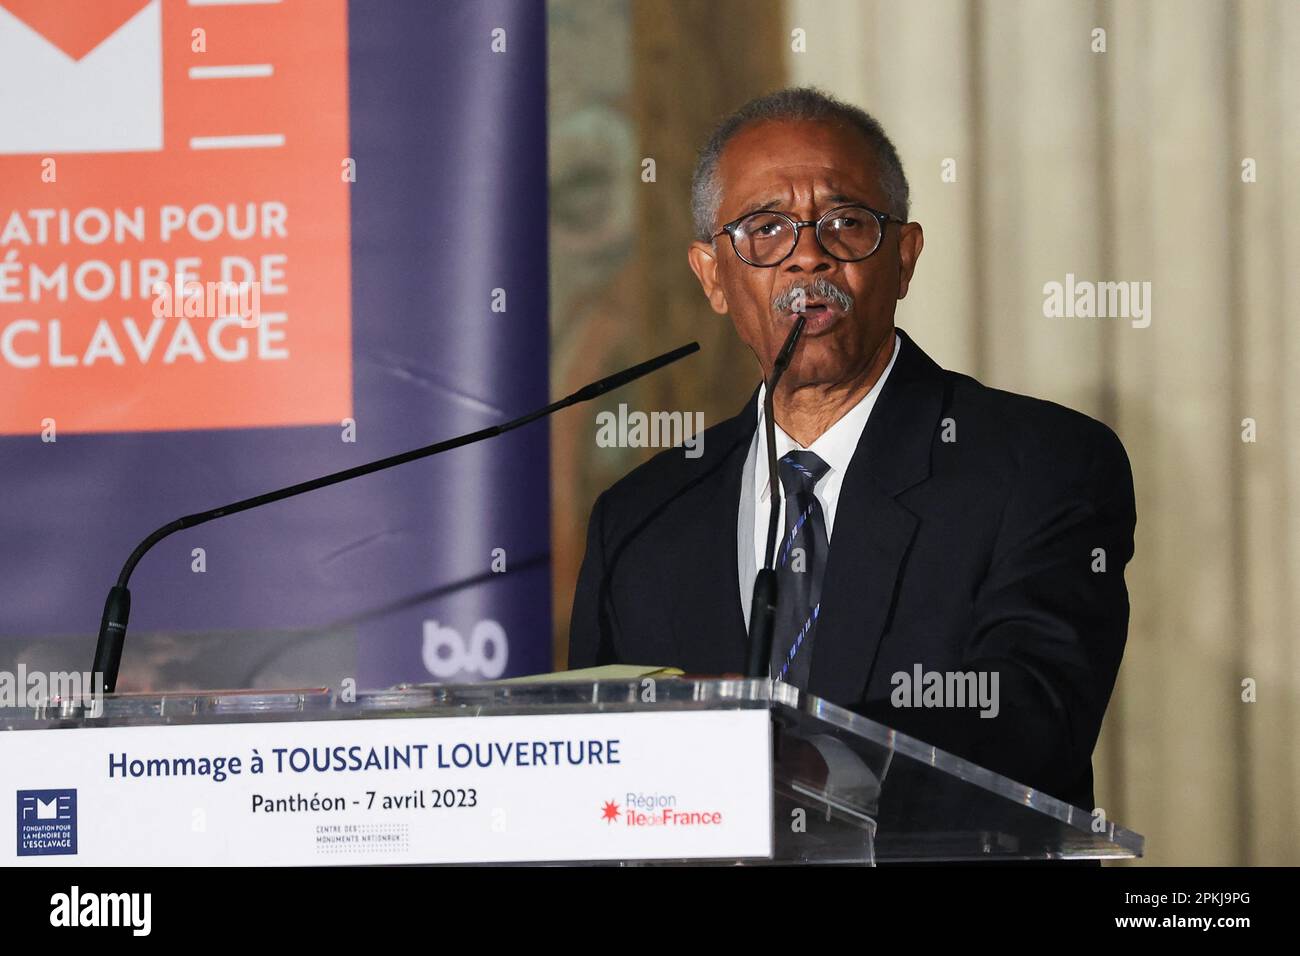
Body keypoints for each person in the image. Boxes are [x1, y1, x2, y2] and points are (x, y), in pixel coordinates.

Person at [568, 86, 1136, 811]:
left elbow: (1033, 724)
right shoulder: (643, 518)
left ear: (903, 258)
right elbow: (594, 777)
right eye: (765, 229)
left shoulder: (1039, 464)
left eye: (844, 223)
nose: (809, 258)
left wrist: (791, 755)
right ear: (712, 275)